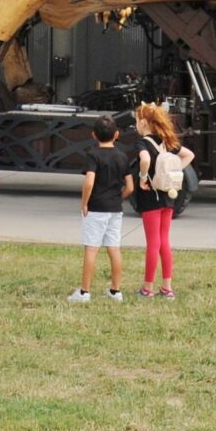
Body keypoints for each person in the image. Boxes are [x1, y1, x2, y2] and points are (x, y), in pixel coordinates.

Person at [133, 101, 194, 299]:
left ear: (143, 122)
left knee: (152, 241)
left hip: (150, 195)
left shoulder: (142, 143)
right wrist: (174, 172)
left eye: (136, 121)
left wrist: (143, 178)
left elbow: (145, 160)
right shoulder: (167, 141)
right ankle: (167, 286)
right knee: (164, 240)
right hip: (169, 194)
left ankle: (147, 288)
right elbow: (189, 155)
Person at [68, 121, 134, 303]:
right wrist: (118, 198)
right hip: (115, 209)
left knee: (91, 248)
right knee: (114, 248)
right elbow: (130, 186)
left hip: (96, 207)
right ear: (117, 135)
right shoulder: (122, 157)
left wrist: (84, 203)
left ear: (93, 135)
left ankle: (84, 292)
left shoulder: (93, 155)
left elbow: (89, 182)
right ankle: (115, 291)